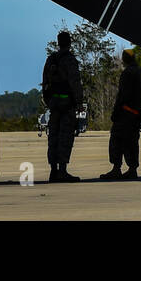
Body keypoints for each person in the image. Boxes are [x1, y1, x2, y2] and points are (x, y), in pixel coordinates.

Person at [41, 31, 84, 183]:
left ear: (58, 43)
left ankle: (53, 171)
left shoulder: (51, 60)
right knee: (65, 137)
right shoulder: (69, 61)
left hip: (54, 105)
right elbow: (75, 83)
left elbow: (44, 82)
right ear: (69, 43)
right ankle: (62, 171)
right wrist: (79, 102)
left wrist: (49, 101)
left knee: (53, 137)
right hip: (67, 106)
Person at [101, 49, 141, 181]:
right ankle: (132, 169)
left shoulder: (128, 73)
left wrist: (116, 112)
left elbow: (122, 95)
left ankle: (116, 168)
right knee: (132, 142)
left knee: (117, 140)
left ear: (125, 59)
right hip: (136, 113)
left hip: (125, 113)